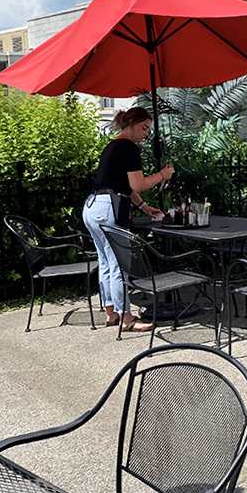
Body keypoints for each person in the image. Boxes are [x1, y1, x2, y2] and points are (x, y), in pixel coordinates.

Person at [83, 106, 175, 331]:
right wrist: (162, 175)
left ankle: (111, 312)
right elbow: (138, 184)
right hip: (109, 209)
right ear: (131, 125)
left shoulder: (113, 146)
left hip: (93, 206)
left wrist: (143, 207)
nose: (146, 134)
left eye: (148, 129)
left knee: (105, 262)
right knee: (118, 264)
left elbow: (122, 186)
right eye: (144, 128)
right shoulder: (128, 148)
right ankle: (126, 318)